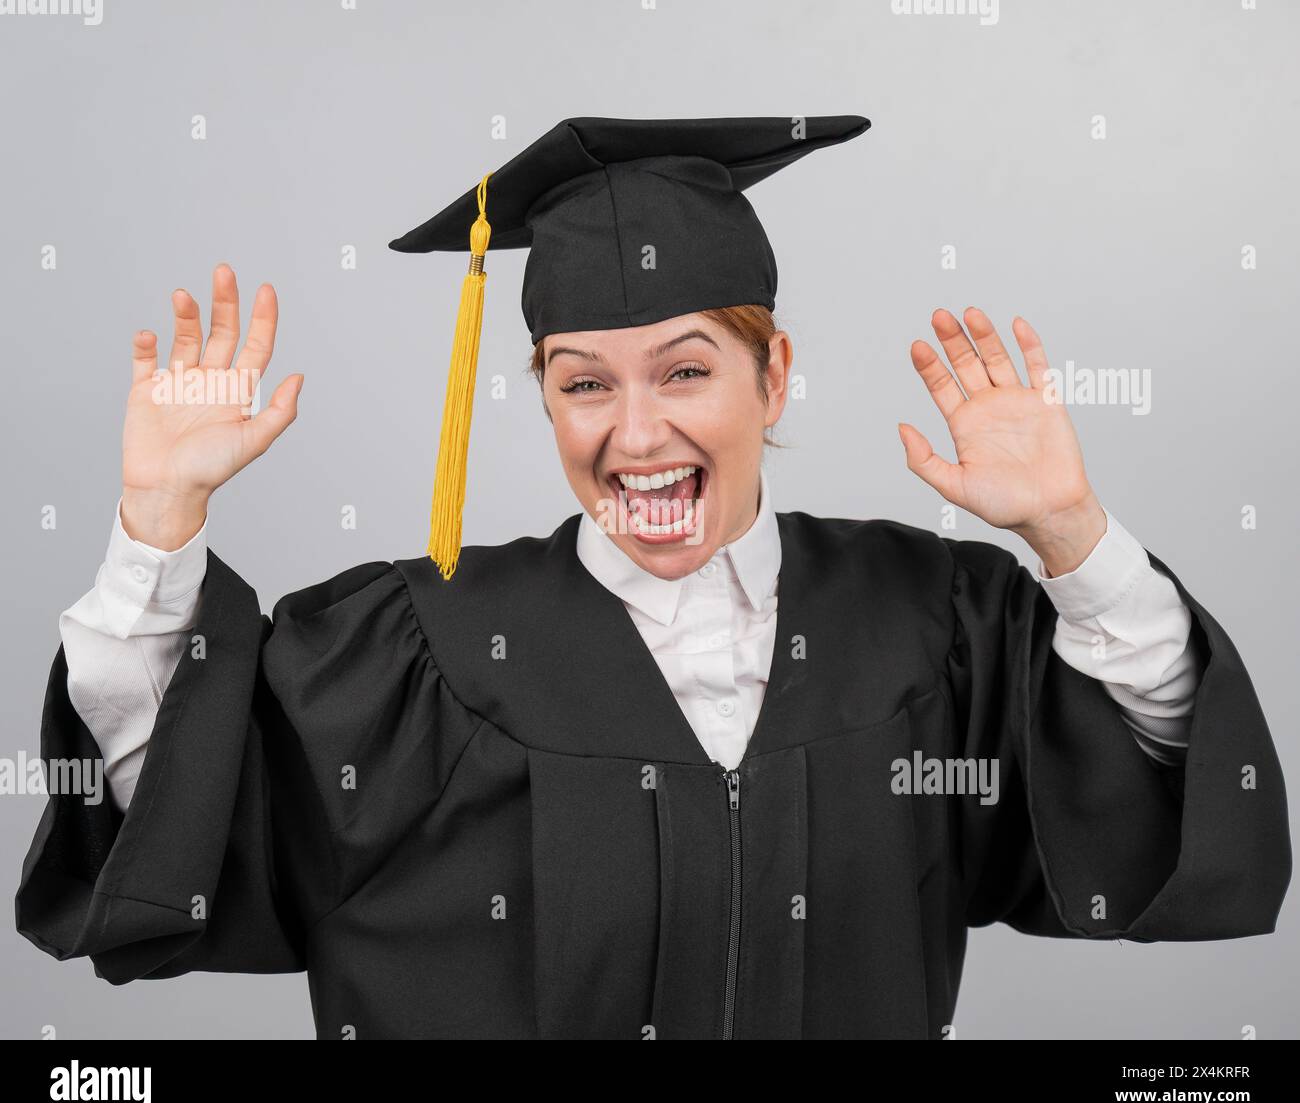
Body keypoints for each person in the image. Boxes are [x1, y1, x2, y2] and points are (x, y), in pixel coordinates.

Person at [16, 116, 1290, 1040]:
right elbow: (161, 819)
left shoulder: (930, 624)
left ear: (772, 376)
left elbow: (1155, 796)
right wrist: (159, 520)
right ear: (545, 398)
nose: (635, 436)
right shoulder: (414, 647)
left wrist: (1072, 533)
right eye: (584, 383)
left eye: (686, 371)